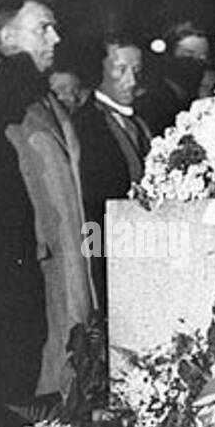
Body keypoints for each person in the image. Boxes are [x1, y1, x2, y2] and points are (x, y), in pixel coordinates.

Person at [0, 0, 93, 409]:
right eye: (42, 28)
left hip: (59, 268)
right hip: (24, 282)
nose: (56, 37)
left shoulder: (39, 97)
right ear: (7, 37)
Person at [73, 34, 151, 312]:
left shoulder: (141, 122)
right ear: (100, 72)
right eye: (121, 70)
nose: (132, 81)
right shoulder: (83, 124)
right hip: (105, 246)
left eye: (137, 71)